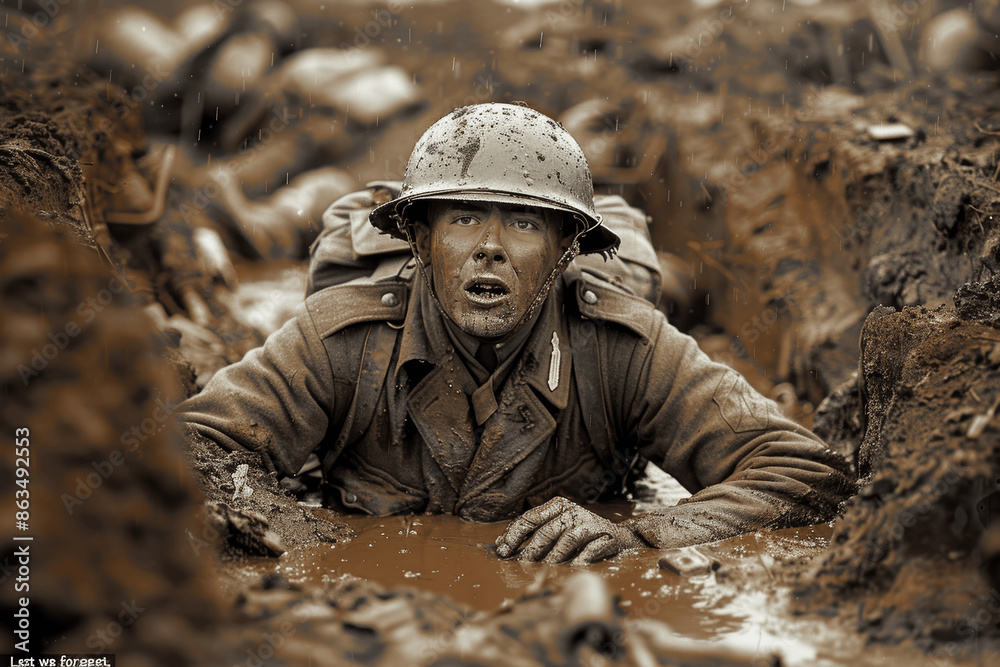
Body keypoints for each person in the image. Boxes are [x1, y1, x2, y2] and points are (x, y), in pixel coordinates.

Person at [177, 103, 853, 564]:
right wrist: (308, 538)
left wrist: (643, 534)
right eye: (465, 218)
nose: (490, 248)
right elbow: (188, 451)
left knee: (676, 284)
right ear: (420, 240)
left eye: (525, 224)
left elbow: (807, 471)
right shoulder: (341, 339)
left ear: (565, 252)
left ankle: (687, 274)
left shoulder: (620, 348)